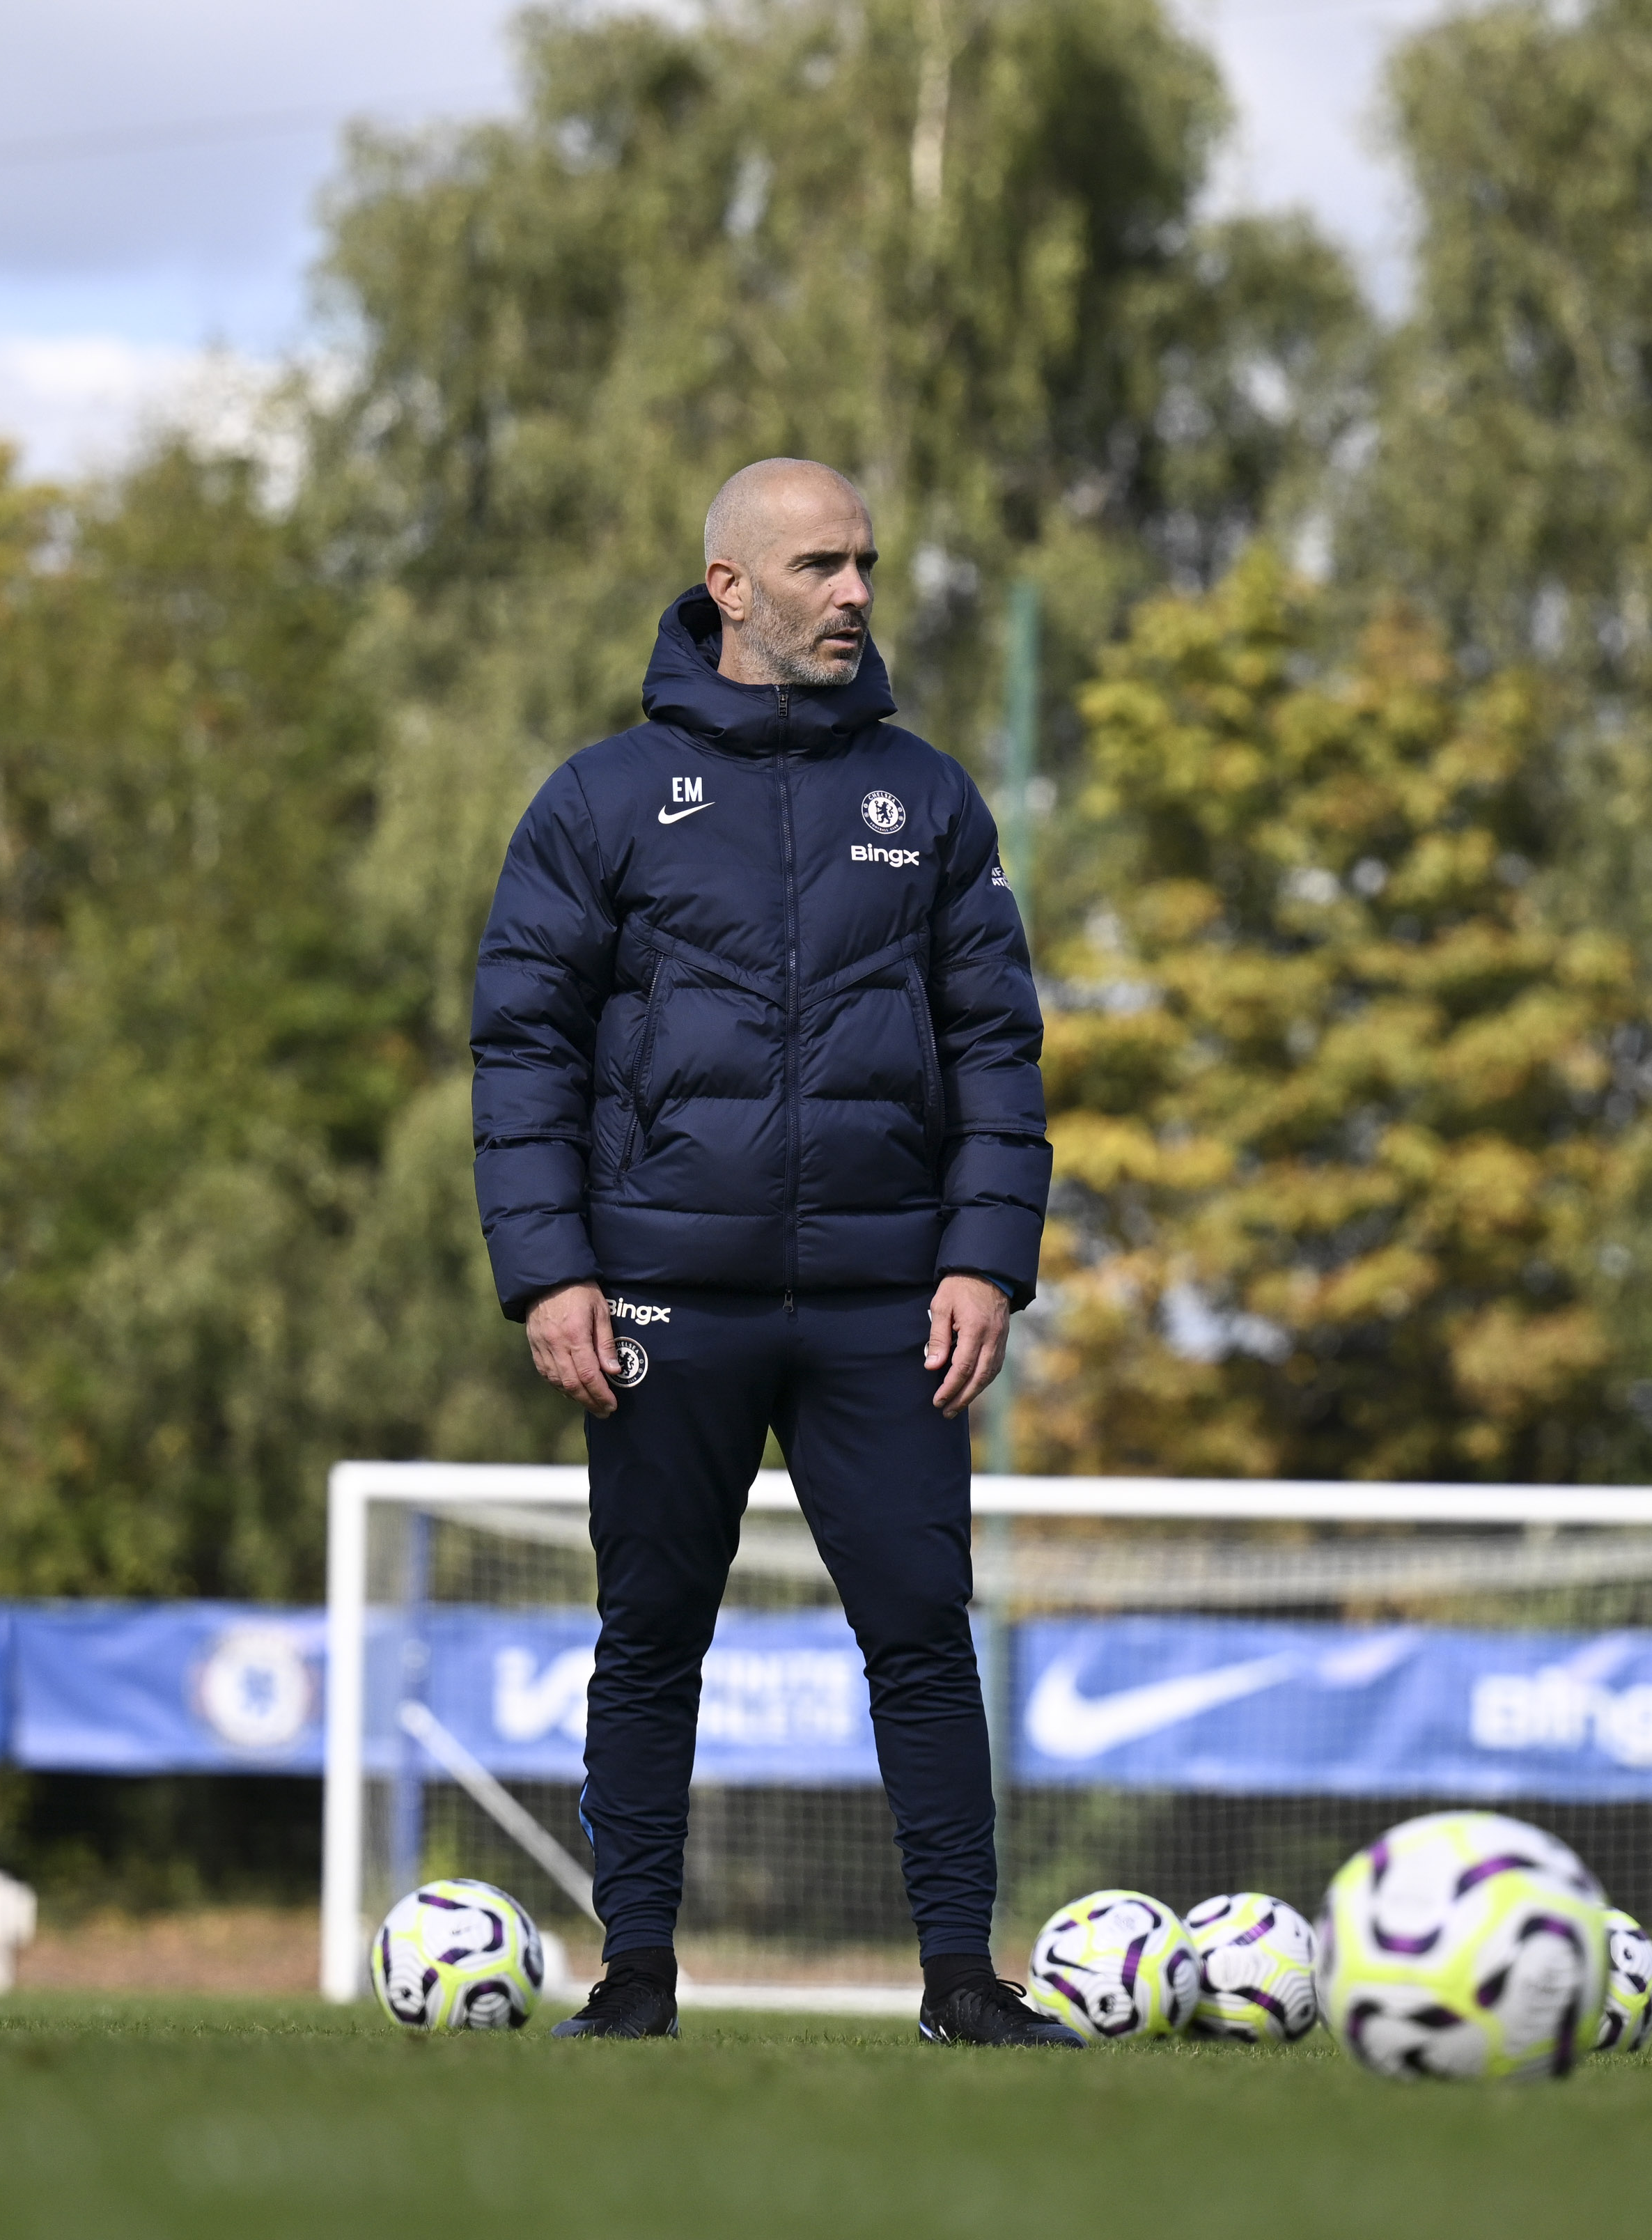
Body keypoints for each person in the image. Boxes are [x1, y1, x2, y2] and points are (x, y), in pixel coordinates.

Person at [471, 458, 1075, 2046]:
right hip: (662, 1292)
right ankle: (638, 1980)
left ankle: (960, 1982)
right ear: (731, 587)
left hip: (890, 1300)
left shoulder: (931, 799)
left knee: (925, 1641)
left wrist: (985, 1260)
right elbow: (521, 1047)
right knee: (652, 1637)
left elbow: (998, 1051)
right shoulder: (600, 799)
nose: (858, 593)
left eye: (868, 561)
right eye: (822, 563)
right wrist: (550, 1273)